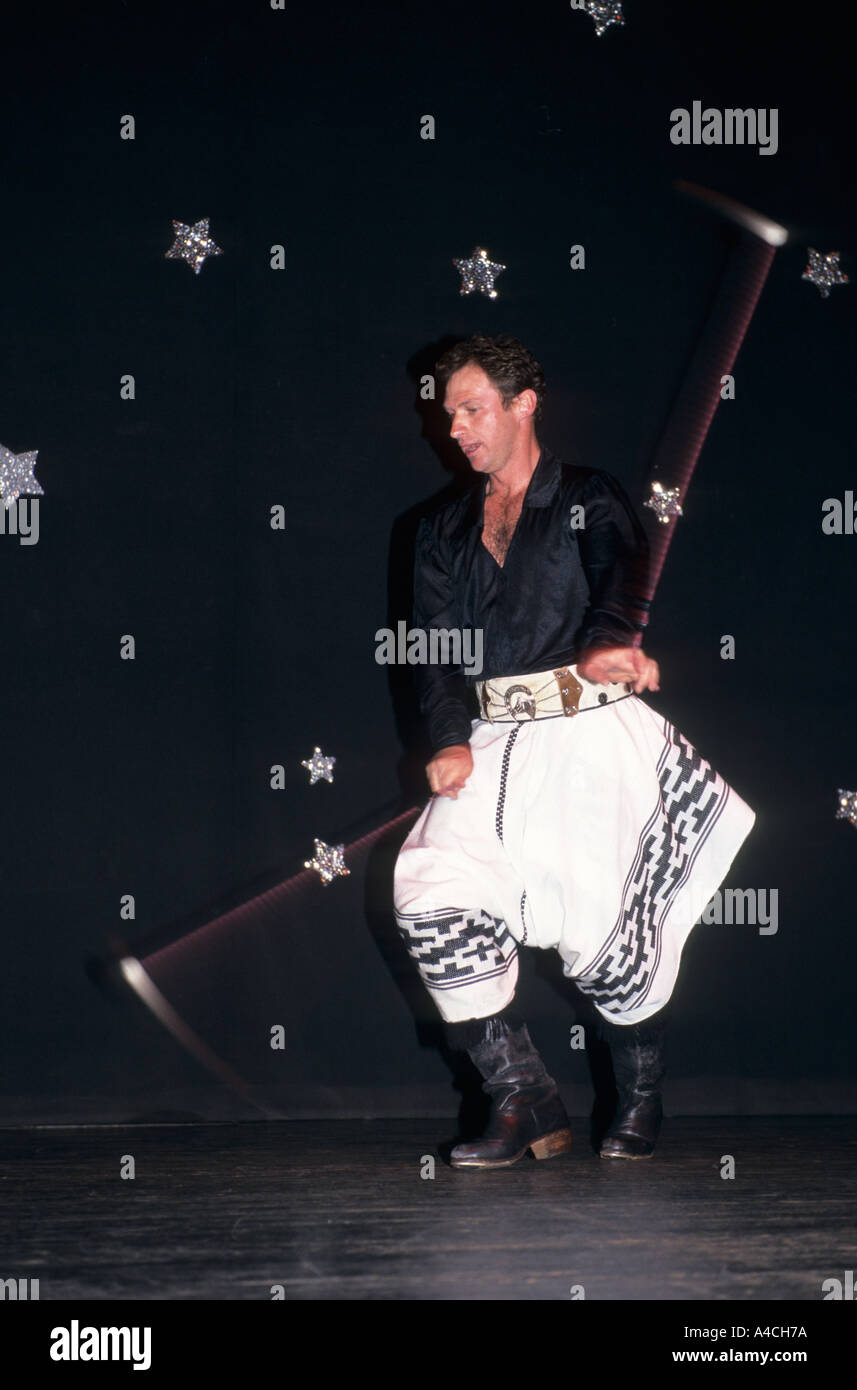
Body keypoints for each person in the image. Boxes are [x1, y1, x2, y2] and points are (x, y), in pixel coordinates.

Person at [393, 334, 755, 1167]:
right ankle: (523, 1097)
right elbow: (436, 647)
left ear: (524, 405)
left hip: (588, 736)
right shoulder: (437, 529)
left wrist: (607, 646)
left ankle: (640, 1096)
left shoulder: (589, 496)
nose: (455, 428)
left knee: (606, 935)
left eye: (472, 409)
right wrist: (447, 740)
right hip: (490, 743)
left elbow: (621, 578)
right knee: (430, 891)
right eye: (448, 413)